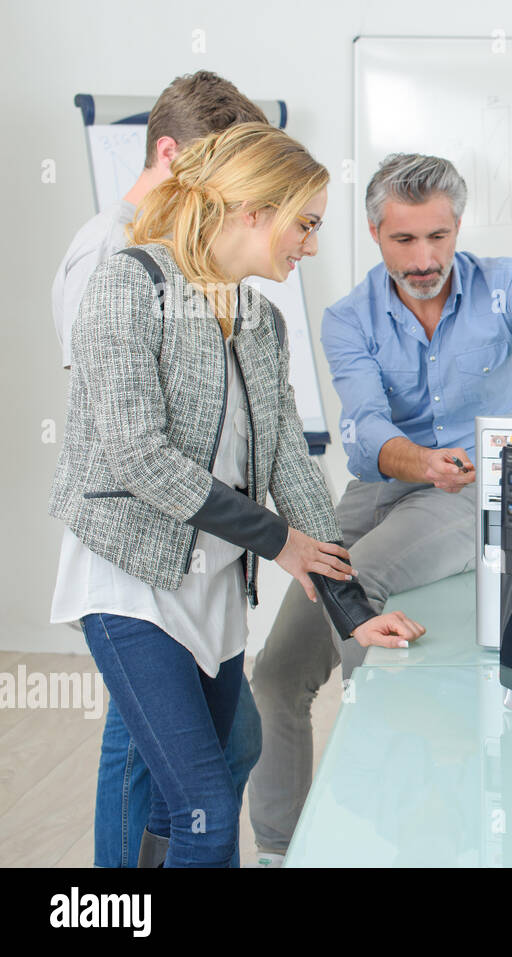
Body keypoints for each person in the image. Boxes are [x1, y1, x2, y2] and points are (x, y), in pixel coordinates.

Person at [48, 122, 424, 867]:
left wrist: (355, 615)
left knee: (180, 800)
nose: (311, 245)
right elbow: (136, 456)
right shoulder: (128, 282)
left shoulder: (261, 320)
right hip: (130, 587)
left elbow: (291, 464)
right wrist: (278, 540)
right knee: (207, 811)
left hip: (215, 596)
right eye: (305, 223)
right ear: (254, 211)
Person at [248, 153, 512, 863]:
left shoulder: (505, 285)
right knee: (275, 673)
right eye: (405, 241)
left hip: (478, 487)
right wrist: (421, 461)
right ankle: (279, 851)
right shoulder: (348, 318)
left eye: (439, 236)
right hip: (383, 481)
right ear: (373, 233)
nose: (425, 258)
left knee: (356, 588)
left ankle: (413, 821)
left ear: (457, 227)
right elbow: (363, 431)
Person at [49, 70, 269, 868]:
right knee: (164, 765)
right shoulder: (111, 255)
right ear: (168, 153)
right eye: (214, 173)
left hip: (191, 561)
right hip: (140, 559)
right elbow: (120, 429)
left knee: (208, 749)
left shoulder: (184, 256)